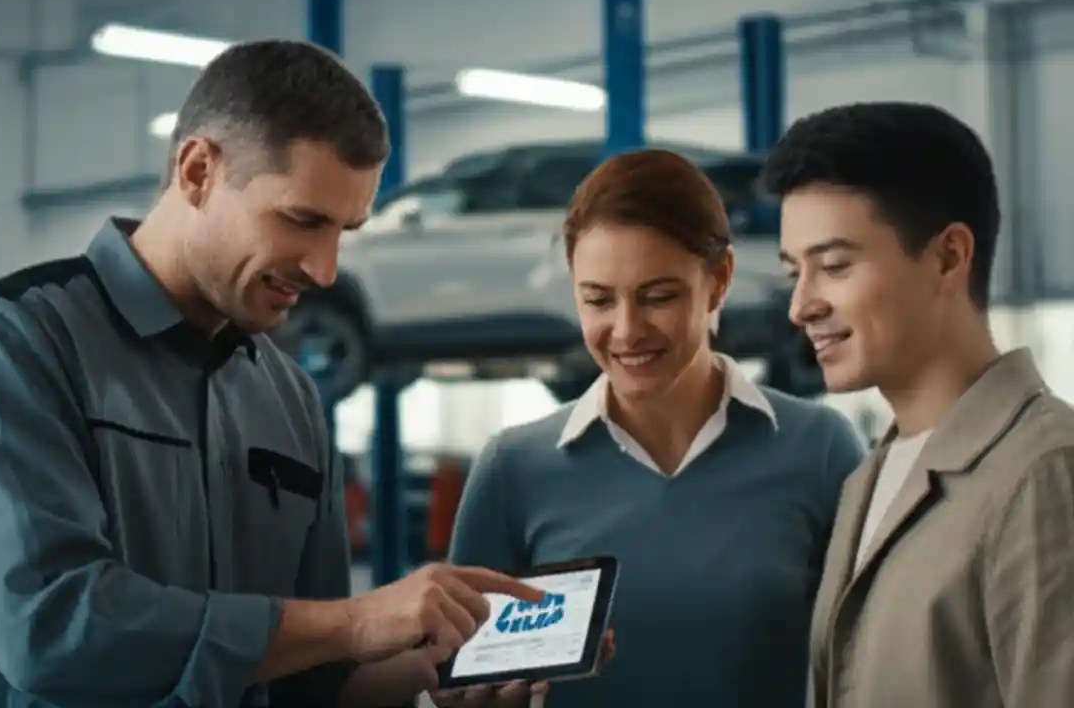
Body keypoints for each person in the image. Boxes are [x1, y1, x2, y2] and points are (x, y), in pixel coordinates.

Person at [0, 39, 542, 708]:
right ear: (196, 171)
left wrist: (430, 678)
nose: (325, 269)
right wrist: (355, 622)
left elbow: (312, 681)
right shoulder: (10, 343)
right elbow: (53, 627)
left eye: (345, 231)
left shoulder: (289, 397)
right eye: (302, 220)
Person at [436, 149, 867, 707]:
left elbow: (867, 665)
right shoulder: (512, 469)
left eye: (658, 297)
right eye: (598, 300)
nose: (626, 330)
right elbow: (463, 672)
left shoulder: (821, 450)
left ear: (719, 280)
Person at [764, 101, 1074, 708]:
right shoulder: (869, 479)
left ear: (948, 257)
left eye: (833, 266)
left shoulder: (1044, 474)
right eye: (792, 274)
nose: (801, 306)